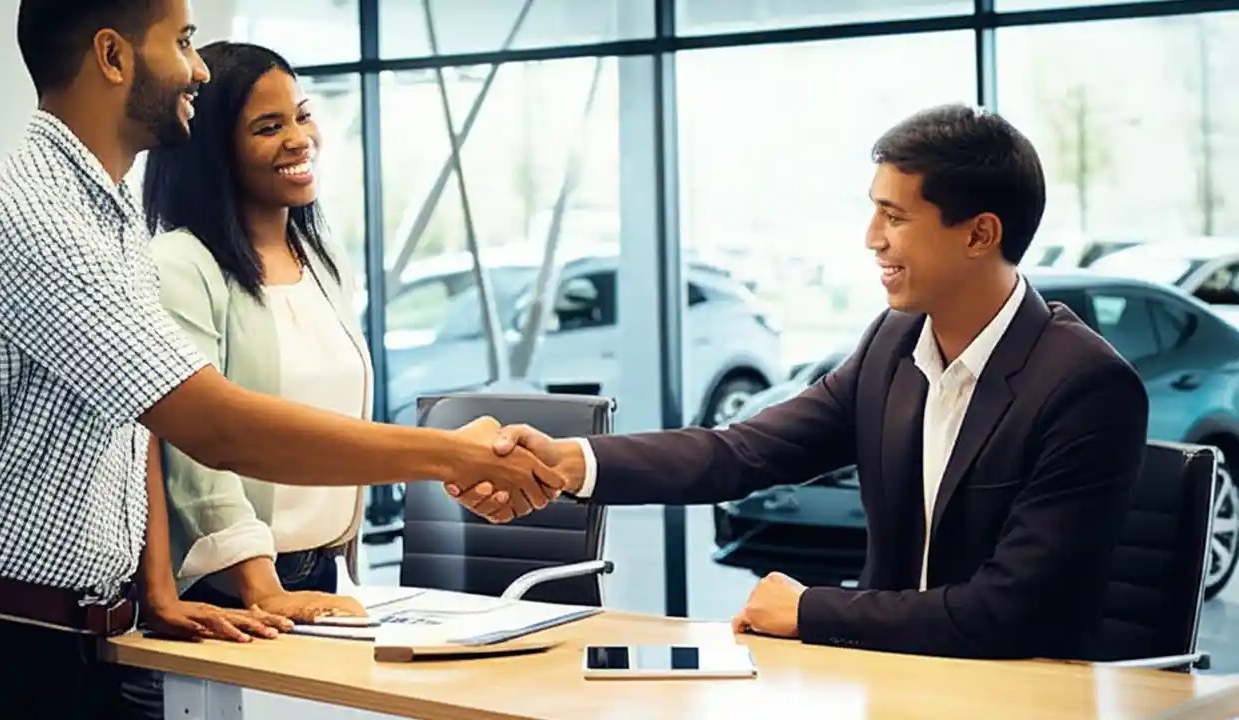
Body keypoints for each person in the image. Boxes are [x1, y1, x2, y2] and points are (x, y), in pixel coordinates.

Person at [0, 2, 557, 717]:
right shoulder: (37, 222)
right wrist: (449, 456)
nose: (198, 68)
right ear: (114, 58)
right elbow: (215, 427)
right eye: (181, 43)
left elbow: (134, 428)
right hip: (8, 643)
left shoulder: (105, 214)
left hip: (90, 630)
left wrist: (156, 590)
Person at [452, 104, 1150, 660]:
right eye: (874, 210)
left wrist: (808, 607)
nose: (871, 237)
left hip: (1020, 700)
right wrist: (571, 461)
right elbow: (742, 451)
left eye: (895, 216)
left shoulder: (1085, 386)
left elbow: (1010, 612)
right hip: (891, 681)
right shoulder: (894, 342)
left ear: (979, 234)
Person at [142, 41, 371, 619]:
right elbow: (196, 450)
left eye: (303, 114)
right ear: (216, 150)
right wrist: (261, 586)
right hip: (232, 587)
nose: (299, 139)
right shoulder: (180, 264)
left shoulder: (324, 261)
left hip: (318, 571)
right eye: (269, 127)